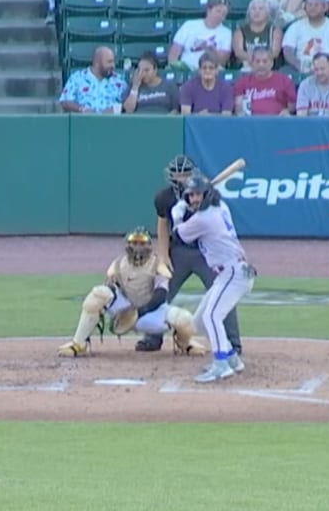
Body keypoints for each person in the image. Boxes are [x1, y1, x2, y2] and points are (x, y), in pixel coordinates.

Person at [141, 155, 244, 364]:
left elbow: (185, 229)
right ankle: (152, 337)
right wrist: (163, 255)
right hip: (178, 252)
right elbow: (162, 226)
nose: (181, 178)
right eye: (177, 175)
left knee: (221, 295)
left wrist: (184, 210)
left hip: (205, 254)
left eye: (185, 174)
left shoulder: (208, 197)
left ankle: (232, 343)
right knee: (161, 291)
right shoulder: (164, 197)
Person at [55, 228, 205, 358]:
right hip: (124, 308)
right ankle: (78, 344)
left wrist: (139, 312)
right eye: (134, 243)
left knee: (185, 319)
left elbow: (160, 295)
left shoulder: (157, 264)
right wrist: (118, 307)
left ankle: (185, 343)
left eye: (141, 243)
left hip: (149, 312)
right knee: (98, 294)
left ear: (148, 245)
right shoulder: (118, 264)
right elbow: (110, 287)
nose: (137, 247)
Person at [171, 173, 255, 383]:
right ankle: (231, 358)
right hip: (230, 272)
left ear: (207, 194)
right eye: (190, 195)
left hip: (234, 273)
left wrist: (177, 216)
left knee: (211, 316)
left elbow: (178, 236)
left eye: (197, 195)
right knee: (199, 321)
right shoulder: (220, 207)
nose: (193, 199)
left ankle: (221, 365)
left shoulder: (203, 219)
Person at [58, 46, 127, 113]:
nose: (113, 65)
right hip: (84, 120)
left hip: (112, 120)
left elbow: (128, 105)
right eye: (109, 62)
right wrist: (82, 110)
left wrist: (116, 110)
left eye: (113, 62)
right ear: (97, 63)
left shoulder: (119, 80)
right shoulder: (77, 78)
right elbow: (65, 102)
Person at [234, 46, 297, 115]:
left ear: (272, 63)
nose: (261, 65)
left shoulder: (284, 81)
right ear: (252, 63)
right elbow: (239, 107)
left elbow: (292, 106)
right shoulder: (243, 82)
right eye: (257, 61)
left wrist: (287, 111)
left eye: (265, 61)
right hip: (250, 120)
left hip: (277, 119)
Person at [234, 0, 283, 71]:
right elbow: (238, 52)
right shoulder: (240, 30)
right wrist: (254, 60)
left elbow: (275, 52)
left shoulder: (275, 30)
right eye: (253, 9)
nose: (257, 12)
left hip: (268, 67)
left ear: (267, 12)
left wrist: (261, 61)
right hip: (246, 66)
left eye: (261, 9)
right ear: (249, 12)